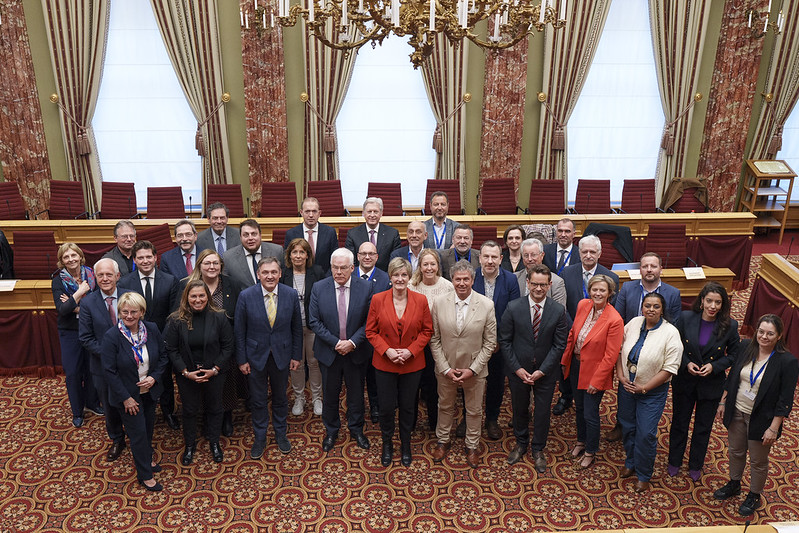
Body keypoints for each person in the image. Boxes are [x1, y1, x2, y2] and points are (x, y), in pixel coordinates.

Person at [714, 314, 798, 516]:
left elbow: (785, 399)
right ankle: (734, 483)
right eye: (761, 332)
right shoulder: (745, 347)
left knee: (758, 461)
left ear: (779, 336)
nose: (764, 337)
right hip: (737, 410)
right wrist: (724, 400)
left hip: (762, 419)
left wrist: (774, 427)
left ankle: (754, 494)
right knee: (735, 450)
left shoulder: (787, 361)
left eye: (770, 333)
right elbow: (734, 375)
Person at [606, 251, 682, 442]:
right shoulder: (628, 288)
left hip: (654, 352)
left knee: (646, 411)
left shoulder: (672, 293)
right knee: (624, 396)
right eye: (645, 266)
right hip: (629, 346)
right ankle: (621, 425)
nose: (649, 270)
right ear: (639, 269)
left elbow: (674, 323)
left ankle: (638, 433)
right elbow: (618, 319)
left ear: (660, 269)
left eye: (653, 266)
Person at [500, 264, 569, 472]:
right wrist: (517, 369)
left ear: (549, 285)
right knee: (520, 409)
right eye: (535, 284)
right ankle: (521, 443)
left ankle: (538, 448)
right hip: (518, 371)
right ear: (527, 283)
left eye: (543, 285)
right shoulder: (513, 307)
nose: (538, 289)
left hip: (545, 373)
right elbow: (504, 341)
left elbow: (559, 345)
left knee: (542, 412)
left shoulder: (558, 311)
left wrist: (542, 371)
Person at [668, 281, 739, 481]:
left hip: (711, 384)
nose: (713, 306)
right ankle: (674, 460)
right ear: (701, 301)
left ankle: (695, 464)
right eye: (709, 301)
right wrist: (686, 363)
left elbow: (734, 355)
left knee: (703, 427)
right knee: (680, 423)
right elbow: (674, 346)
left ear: (723, 304)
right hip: (685, 380)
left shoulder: (730, 325)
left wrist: (715, 366)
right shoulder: (685, 317)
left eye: (718, 302)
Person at [366, 257, 433, 467]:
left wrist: (410, 351)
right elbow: (370, 331)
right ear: (390, 276)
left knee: (407, 407)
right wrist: (387, 351)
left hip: (411, 364)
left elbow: (427, 331)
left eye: (404, 274)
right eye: (396, 274)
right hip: (385, 363)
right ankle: (387, 444)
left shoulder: (420, 300)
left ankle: (405, 445)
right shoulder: (378, 299)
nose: (400, 278)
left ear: (410, 276)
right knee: (386, 408)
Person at [430, 260, 497, 468]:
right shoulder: (439, 303)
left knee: (475, 410)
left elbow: (490, 342)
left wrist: (473, 369)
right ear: (452, 280)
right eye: (457, 279)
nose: (461, 283)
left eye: (465, 279)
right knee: (445, 406)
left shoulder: (486, 304)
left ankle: (472, 445)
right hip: (446, 368)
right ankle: (443, 440)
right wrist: (445, 368)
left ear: (473, 280)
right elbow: (434, 339)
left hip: (474, 370)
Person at [235, 257, 303, 458]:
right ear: (258, 275)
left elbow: (296, 328)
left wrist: (296, 356)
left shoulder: (290, 294)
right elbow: (239, 331)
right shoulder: (246, 296)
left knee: (281, 398)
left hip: (282, 355)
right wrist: (242, 360)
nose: (270, 276)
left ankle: (281, 434)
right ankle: (260, 436)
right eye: (265, 272)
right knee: (258, 399)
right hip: (255, 357)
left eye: (274, 272)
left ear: (280, 273)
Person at [309, 248, 374, 452]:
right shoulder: (319, 287)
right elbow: (314, 321)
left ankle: (356, 429)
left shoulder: (366, 288)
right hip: (329, 352)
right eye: (335, 267)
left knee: (356, 395)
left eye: (343, 268)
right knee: (330, 394)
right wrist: (336, 342)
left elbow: (370, 322)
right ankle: (332, 430)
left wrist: (352, 343)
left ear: (352, 268)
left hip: (356, 351)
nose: (338, 272)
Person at [616, 292, 682, 492]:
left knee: (645, 434)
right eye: (647, 305)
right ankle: (630, 462)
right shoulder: (634, 322)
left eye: (655, 306)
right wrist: (620, 376)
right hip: (627, 387)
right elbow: (618, 350)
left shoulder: (671, 333)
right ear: (642, 307)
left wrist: (644, 387)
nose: (651, 310)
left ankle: (644, 474)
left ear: (662, 310)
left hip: (651, 392)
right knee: (627, 427)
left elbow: (670, 368)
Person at [101, 292, 167, 491]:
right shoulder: (112, 336)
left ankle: (146, 459)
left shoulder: (152, 329)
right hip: (128, 397)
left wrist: (154, 377)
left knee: (147, 430)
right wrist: (126, 398)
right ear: (119, 312)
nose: (129, 316)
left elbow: (163, 357)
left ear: (142, 312)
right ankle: (145, 475)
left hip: (149, 391)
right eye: (124, 312)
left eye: (133, 312)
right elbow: (109, 372)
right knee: (137, 434)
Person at [164, 280, 234, 466]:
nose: (197, 299)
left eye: (201, 295)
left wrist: (215, 369)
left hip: (215, 372)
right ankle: (189, 445)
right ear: (186, 297)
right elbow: (171, 349)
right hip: (187, 374)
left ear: (207, 297)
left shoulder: (220, 317)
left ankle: (214, 442)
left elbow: (228, 346)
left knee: (215, 408)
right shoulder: (176, 319)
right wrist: (186, 372)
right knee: (189, 410)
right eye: (193, 296)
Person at [560, 274, 623, 469]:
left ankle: (591, 451)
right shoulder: (582, 305)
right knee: (578, 408)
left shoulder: (614, 319)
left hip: (596, 372)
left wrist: (597, 381)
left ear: (609, 293)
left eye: (602, 290)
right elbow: (573, 334)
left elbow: (611, 356)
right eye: (594, 289)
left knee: (590, 413)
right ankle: (581, 441)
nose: (597, 293)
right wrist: (565, 360)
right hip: (577, 365)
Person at [118, 240, 181, 431]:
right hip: (133, 342)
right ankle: (142, 412)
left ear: (155, 258)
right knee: (138, 377)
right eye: (140, 258)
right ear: (135, 260)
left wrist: (160, 339)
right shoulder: (125, 282)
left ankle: (168, 411)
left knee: (165, 379)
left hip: (163, 339)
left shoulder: (170, 280)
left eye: (148, 257)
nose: (145, 261)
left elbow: (173, 313)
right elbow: (125, 313)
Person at [181, 249, 244, 436]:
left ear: (221, 266)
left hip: (225, 345)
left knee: (226, 385)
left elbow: (239, 316)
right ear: (199, 265)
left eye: (216, 263)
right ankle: (207, 418)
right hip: (197, 346)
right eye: (207, 263)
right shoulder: (187, 285)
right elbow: (180, 316)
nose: (212, 267)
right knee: (202, 384)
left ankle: (226, 417)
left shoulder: (232, 284)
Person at [557, 235, 619, 417]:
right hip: (569, 327)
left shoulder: (611, 276)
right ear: (579, 253)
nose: (589, 255)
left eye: (593, 251)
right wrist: (573, 326)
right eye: (585, 251)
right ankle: (565, 397)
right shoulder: (567, 272)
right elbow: (563, 302)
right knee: (567, 366)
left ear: (599, 253)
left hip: (596, 336)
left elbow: (609, 310)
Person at [79, 258, 131, 462]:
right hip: (102, 366)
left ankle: (139, 436)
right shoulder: (87, 303)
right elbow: (85, 338)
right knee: (110, 406)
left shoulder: (130, 295)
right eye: (100, 275)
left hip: (132, 363)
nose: (105, 278)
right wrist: (110, 354)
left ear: (118, 276)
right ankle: (117, 438)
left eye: (109, 274)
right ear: (95, 277)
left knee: (134, 400)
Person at [473, 240, 520, 440]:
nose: (490, 261)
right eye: (486, 256)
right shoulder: (471, 276)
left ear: (501, 259)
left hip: (499, 344)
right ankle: (470, 419)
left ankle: (491, 419)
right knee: (472, 382)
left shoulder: (510, 280)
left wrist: (497, 341)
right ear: (479, 258)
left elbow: (512, 313)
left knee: (496, 382)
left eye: (494, 257)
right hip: (472, 341)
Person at [52, 243, 101, 427]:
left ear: (80, 256)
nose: (71, 259)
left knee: (91, 369)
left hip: (91, 329)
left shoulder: (92, 275)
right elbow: (63, 310)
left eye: (74, 255)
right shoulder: (58, 280)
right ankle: (77, 411)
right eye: (66, 257)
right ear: (61, 261)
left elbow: (98, 303)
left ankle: (92, 403)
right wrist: (80, 292)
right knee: (72, 372)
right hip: (70, 332)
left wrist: (74, 303)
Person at [409, 249, 454, 431]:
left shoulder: (447, 286)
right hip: (414, 345)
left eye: (432, 264)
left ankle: (435, 424)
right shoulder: (411, 285)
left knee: (435, 387)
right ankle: (409, 424)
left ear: (438, 266)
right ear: (419, 266)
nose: (429, 268)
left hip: (438, 346)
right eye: (425, 264)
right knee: (412, 387)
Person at [280, 238, 326, 417]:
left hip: (313, 326)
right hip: (292, 328)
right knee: (296, 365)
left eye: (302, 252)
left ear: (308, 255)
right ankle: (299, 398)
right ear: (289, 255)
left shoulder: (317, 272)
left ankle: (316, 398)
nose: (298, 256)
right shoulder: (284, 274)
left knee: (314, 364)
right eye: (294, 252)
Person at [354, 240, 390, 421]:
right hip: (354, 336)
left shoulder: (385, 278)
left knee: (375, 377)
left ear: (377, 257)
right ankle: (356, 407)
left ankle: (375, 406)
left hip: (378, 337)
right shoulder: (349, 274)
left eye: (371, 254)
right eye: (363, 254)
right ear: (357, 256)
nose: (367, 257)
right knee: (355, 378)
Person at [284, 197, 339, 274]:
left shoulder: (330, 232)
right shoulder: (291, 234)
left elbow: (335, 259)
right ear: (301, 212)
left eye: (314, 211)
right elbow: (287, 261)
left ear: (319, 213)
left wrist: (326, 279)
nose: (311, 215)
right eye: (307, 211)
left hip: (324, 278)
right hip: (299, 277)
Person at [345, 197, 402, 272]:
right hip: (360, 278)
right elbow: (351, 262)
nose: (372, 215)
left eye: (375, 212)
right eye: (369, 211)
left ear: (381, 213)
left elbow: (395, 263)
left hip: (384, 278)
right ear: (363, 213)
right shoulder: (352, 234)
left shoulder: (392, 234)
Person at [223, 219, 284, 288]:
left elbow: (283, 280)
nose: (250, 238)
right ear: (240, 237)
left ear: (260, 235)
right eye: (246, 235)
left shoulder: (277, 251)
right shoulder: (228, 257)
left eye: (254, 234)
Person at [515, 238, 567, 306]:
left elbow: (559, 312)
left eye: (533, 255)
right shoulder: (514, 278)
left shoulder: (556, 282)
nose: (530, 259)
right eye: (526, 255)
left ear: (542, 255)